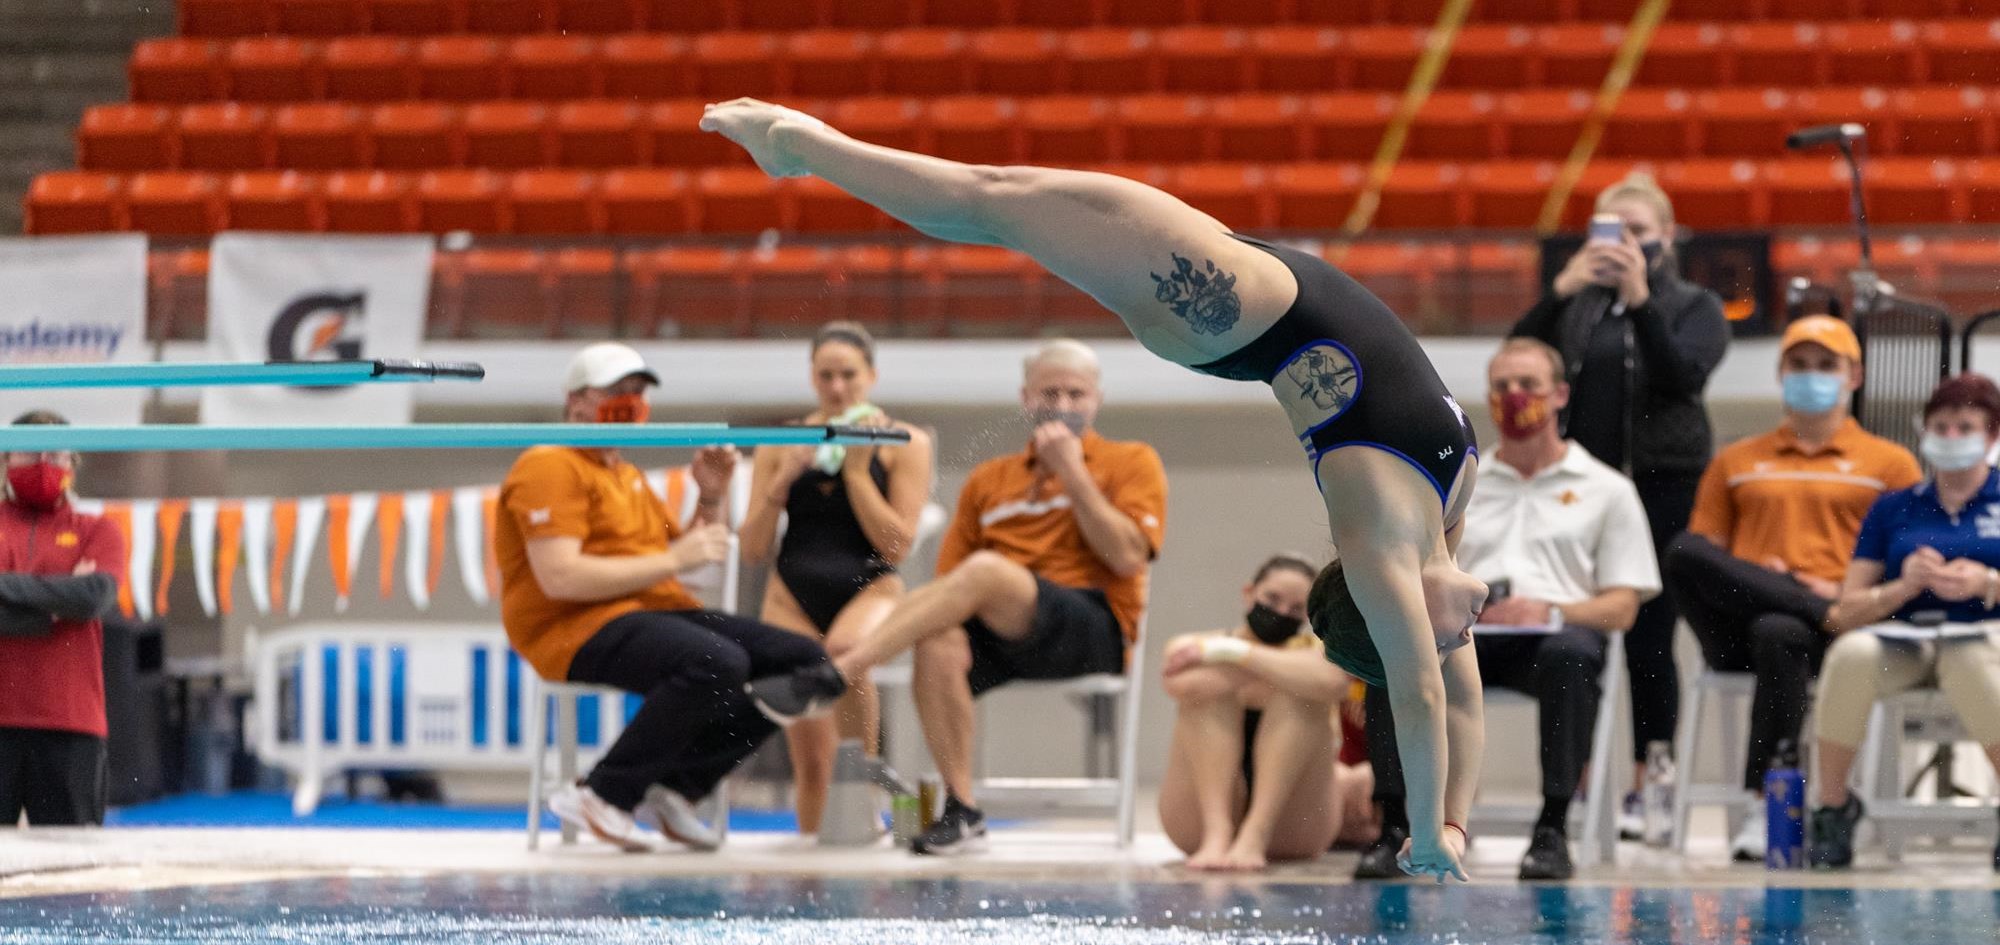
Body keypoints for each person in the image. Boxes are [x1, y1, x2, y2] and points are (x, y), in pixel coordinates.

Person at [704, 97, 1490, 882]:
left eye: (1444, 638)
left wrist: (1420, 836)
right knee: (999, 200)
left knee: (995, 198)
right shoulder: (1443, 519)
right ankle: (807, 151)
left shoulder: (1381, 543)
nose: (1464, 642)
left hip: (1225, 309)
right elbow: (1457, 700)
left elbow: (1423, 693)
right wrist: (1452, 823)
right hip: (1250, 288)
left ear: (1399, 612)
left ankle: (806, 150)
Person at [752, 339, 1163, 855]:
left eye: (1075, 394)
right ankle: (962, 809)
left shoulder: (1132, 462)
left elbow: (1128, 556)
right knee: (938, 636)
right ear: (1025, 399)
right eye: (1049, 393)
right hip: (999, 629)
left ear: (1096, 399)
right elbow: (948, 587)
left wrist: (1073, 473)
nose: (1061, 405)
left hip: (1089, 625)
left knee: (988, 569)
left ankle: (837, 672)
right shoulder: (990, 480)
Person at [495, 342, 834, 852]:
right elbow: (561, 579)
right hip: (570, 628)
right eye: (616, 391)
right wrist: (676, 560)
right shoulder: (549, 464)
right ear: (576, 403)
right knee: (717, 661)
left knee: (809, 668)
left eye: (637, 392)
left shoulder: (626, 477)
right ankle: (603, 793)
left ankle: (675, 789)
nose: (629, 402)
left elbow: (690, 570)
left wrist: (712, 496)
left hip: (651, 611)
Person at [1361, 339, 1660, 881]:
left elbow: (1622, 608)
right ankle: (1392, 827)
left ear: (1560, 394)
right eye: (1502, 387)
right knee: (1395, 652)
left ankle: (1551, 828)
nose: (1514, 396)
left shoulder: (1608, 490)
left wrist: (1548, 608)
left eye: (1528, 385)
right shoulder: (1457, 482)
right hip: (1465, 636)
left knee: (1572, 655)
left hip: (1550, 640)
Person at [1510, 172, 1729, 835]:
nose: (1623, 243)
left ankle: (1649, 779)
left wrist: (1640, 300)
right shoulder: (1579, 305)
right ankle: (1577, 778)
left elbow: (1682, 376)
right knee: (1577, 624)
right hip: (1583, 488)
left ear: (1665, 237)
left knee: (1650, 632)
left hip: (1663, 480)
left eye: (1637, 231)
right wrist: (1563, 289)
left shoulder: (1693, 304)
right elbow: (1518, 358)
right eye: (1610, 230)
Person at [1662, 316, 1921, 861]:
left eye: (1826, 365)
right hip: (1743, 625)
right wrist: (1775, 582)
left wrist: (1839, 590)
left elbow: (1907, 568)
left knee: (1779, 629)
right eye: (1799, 365)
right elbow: (1706, 558)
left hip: (1846, 632)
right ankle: (1814, 607)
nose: (1811, 376)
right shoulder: (1735, 460)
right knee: (1683, 550)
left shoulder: (1891, 465)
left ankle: (1767, 797)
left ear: (1854, 375)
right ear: (1781, 373)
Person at [737, 321, 935, 834]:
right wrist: (780, 483)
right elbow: (753, 550)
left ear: (871, 375)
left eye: (848, 374)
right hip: (791, 595)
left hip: (871, 588)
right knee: (813, 765)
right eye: (826, 376)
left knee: (846, 652)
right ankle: (812, 861)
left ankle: (865, 793)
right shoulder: (782, 444)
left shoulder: (903, 442)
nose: (838, 387)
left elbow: (896, 546)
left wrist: (855, 473)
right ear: (812, 377)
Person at [1807, 374, 2000, 871]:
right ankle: (1833, 807)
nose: (1951, 437)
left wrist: (1986, 584)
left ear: (1991, 435)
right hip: (1905, 642)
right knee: (1850, 656)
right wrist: (1903, 587)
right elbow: (1845, 612)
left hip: (1985, 639)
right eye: (1941, 426)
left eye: (1965, 426)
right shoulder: (1894, 508)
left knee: (1970, 659)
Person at [1159, 553, 1373, 870]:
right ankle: (1218, 833)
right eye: (1272, 599)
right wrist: (1272, 665)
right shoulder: (1194, 642)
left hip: (1294, 827)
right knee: (1208, 695)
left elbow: (1332, 681)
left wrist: (1234, 654)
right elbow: (1181, 682)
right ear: (1249, 593)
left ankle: (1255, 834)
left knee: (1302, 695)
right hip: (1196, 825)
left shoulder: (1318, 653)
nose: (1281, 613)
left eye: (1296, 608)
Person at [0, 411, 128, 827]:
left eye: (54, 455)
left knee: (74, 879)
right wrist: (55, 608)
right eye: (29, 453)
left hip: (71, 724)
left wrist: (11, 594)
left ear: (73, 465)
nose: (42, 464)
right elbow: (77, 599)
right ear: (5, 461)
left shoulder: (100, 531)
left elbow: (94, 597)